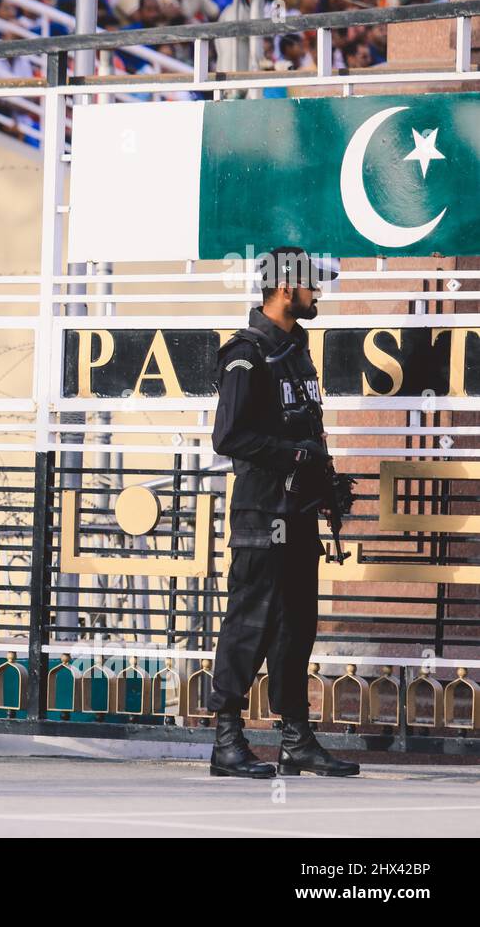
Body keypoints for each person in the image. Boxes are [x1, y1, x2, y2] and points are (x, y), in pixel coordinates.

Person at [207, 247, 359, 779]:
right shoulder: (247, 354)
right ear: (284, 287)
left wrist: (324, 479)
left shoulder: (297, 350)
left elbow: (304, 429)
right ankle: (227, 741)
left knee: (297, 627)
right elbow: (229, 436)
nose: (318, 293)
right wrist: (296, 456)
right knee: (250, 622)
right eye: (312, 285)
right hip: (260, 512)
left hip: (296, 511)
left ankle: (297, 740)